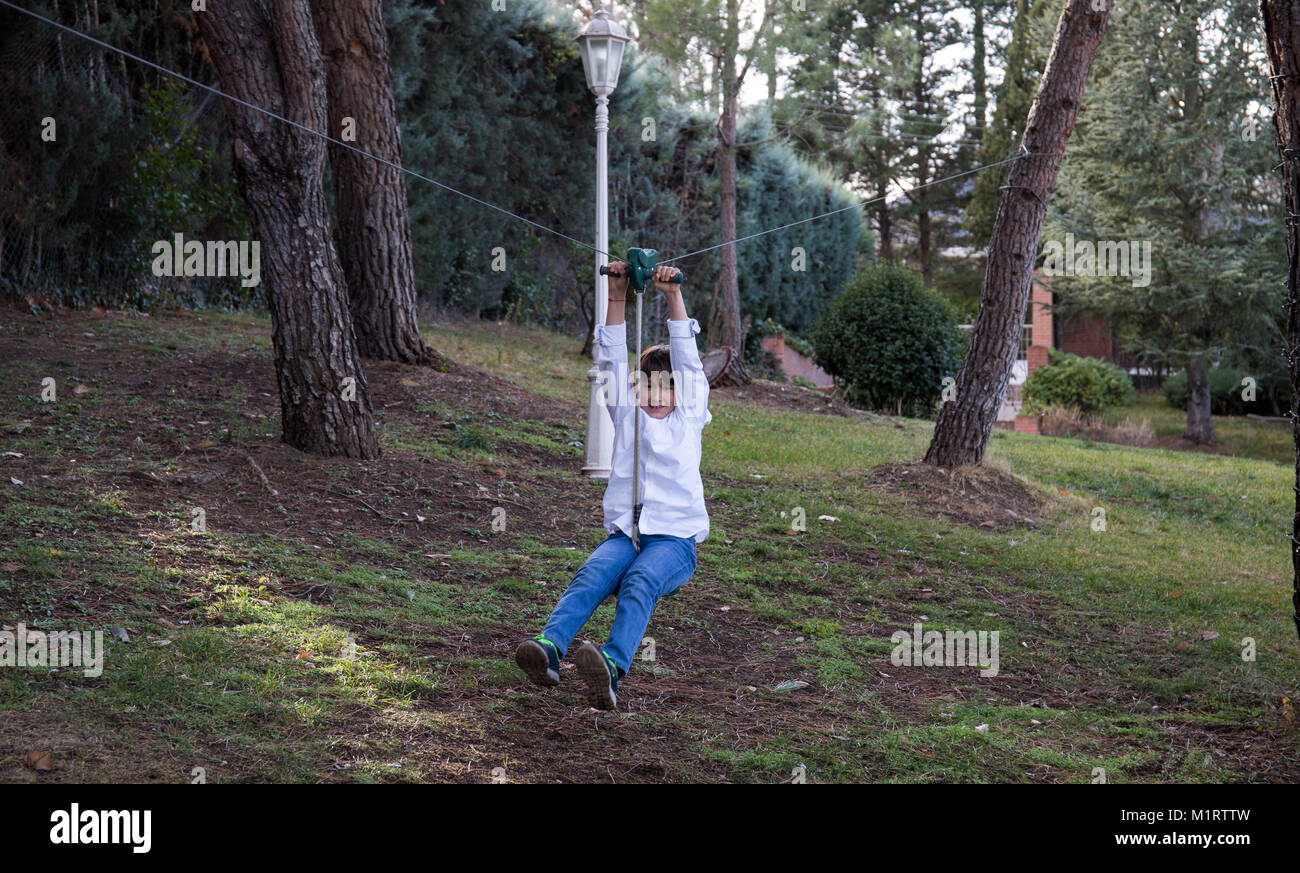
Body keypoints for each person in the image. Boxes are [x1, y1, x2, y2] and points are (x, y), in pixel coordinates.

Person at [514, 262, 711, 710]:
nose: (657, 393)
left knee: (641, 580)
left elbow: (688, 360)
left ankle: (611, 667)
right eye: (646, 385)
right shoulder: (627, 414)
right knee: (592, 574)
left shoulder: (690, 417)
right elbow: (608, 359)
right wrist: (618, 294)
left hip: (674, 544)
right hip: (627, 533)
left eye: (667, 386)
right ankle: (548, 649)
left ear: (683, 392)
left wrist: (672, 296)